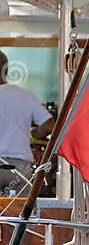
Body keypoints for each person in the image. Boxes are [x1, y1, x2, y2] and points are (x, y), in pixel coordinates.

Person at [0, 50, 54, 195]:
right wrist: (33, 133)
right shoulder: (24, 95)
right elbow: (49, 126)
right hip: (20, 168)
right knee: (21, 208)